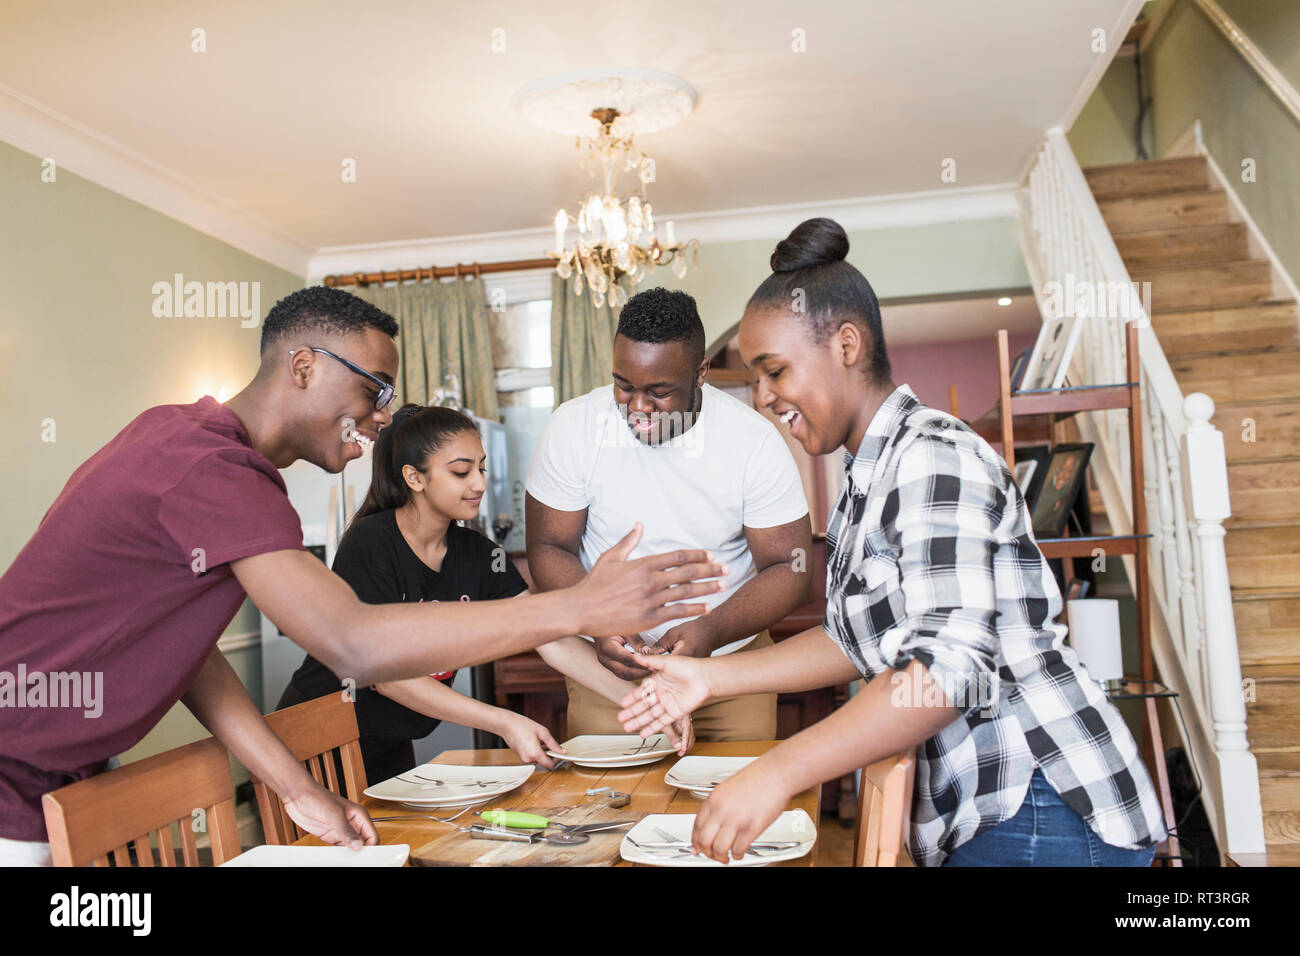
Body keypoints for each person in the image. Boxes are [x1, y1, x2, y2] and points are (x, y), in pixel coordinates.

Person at [0, 286, 727, 865]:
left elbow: (189, 661)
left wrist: (295, 788)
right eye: (375, 388)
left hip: (60, 769)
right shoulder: (209, 469)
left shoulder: (204, 457)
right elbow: (353, 643)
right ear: (304, 366)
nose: (383, 415)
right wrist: (576, 607)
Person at [617, 218, 1168, 867]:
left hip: (1042, 803)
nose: (763, 398)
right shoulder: (869, 477)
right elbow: (853, 642)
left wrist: (776, 771)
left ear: (846, 345)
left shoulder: (930, 458)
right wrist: (707, 678)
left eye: (775, 371)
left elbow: (950, 671)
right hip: (1006, 810)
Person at [277, 403, 688, 784]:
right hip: (319, 739)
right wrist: (504, 721)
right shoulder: (373, 542)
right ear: (414, 477)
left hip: (389, 737)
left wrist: (647, 705)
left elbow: (551, 637)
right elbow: (387, 677)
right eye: (460, 472)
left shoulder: (479, 554)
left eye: (481, 468)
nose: (478, 483)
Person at [526, 287, 813, 742]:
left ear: (700, 373)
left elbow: (791, 567)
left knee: (736, 803)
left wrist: (710, 630)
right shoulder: (573, 427)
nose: (638, 407)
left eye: (659, 391)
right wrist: (597, 620)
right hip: (612, 678)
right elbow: (548, 547)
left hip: (731, 672)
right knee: (612, 808)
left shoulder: (752, 441)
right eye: (624, 385)